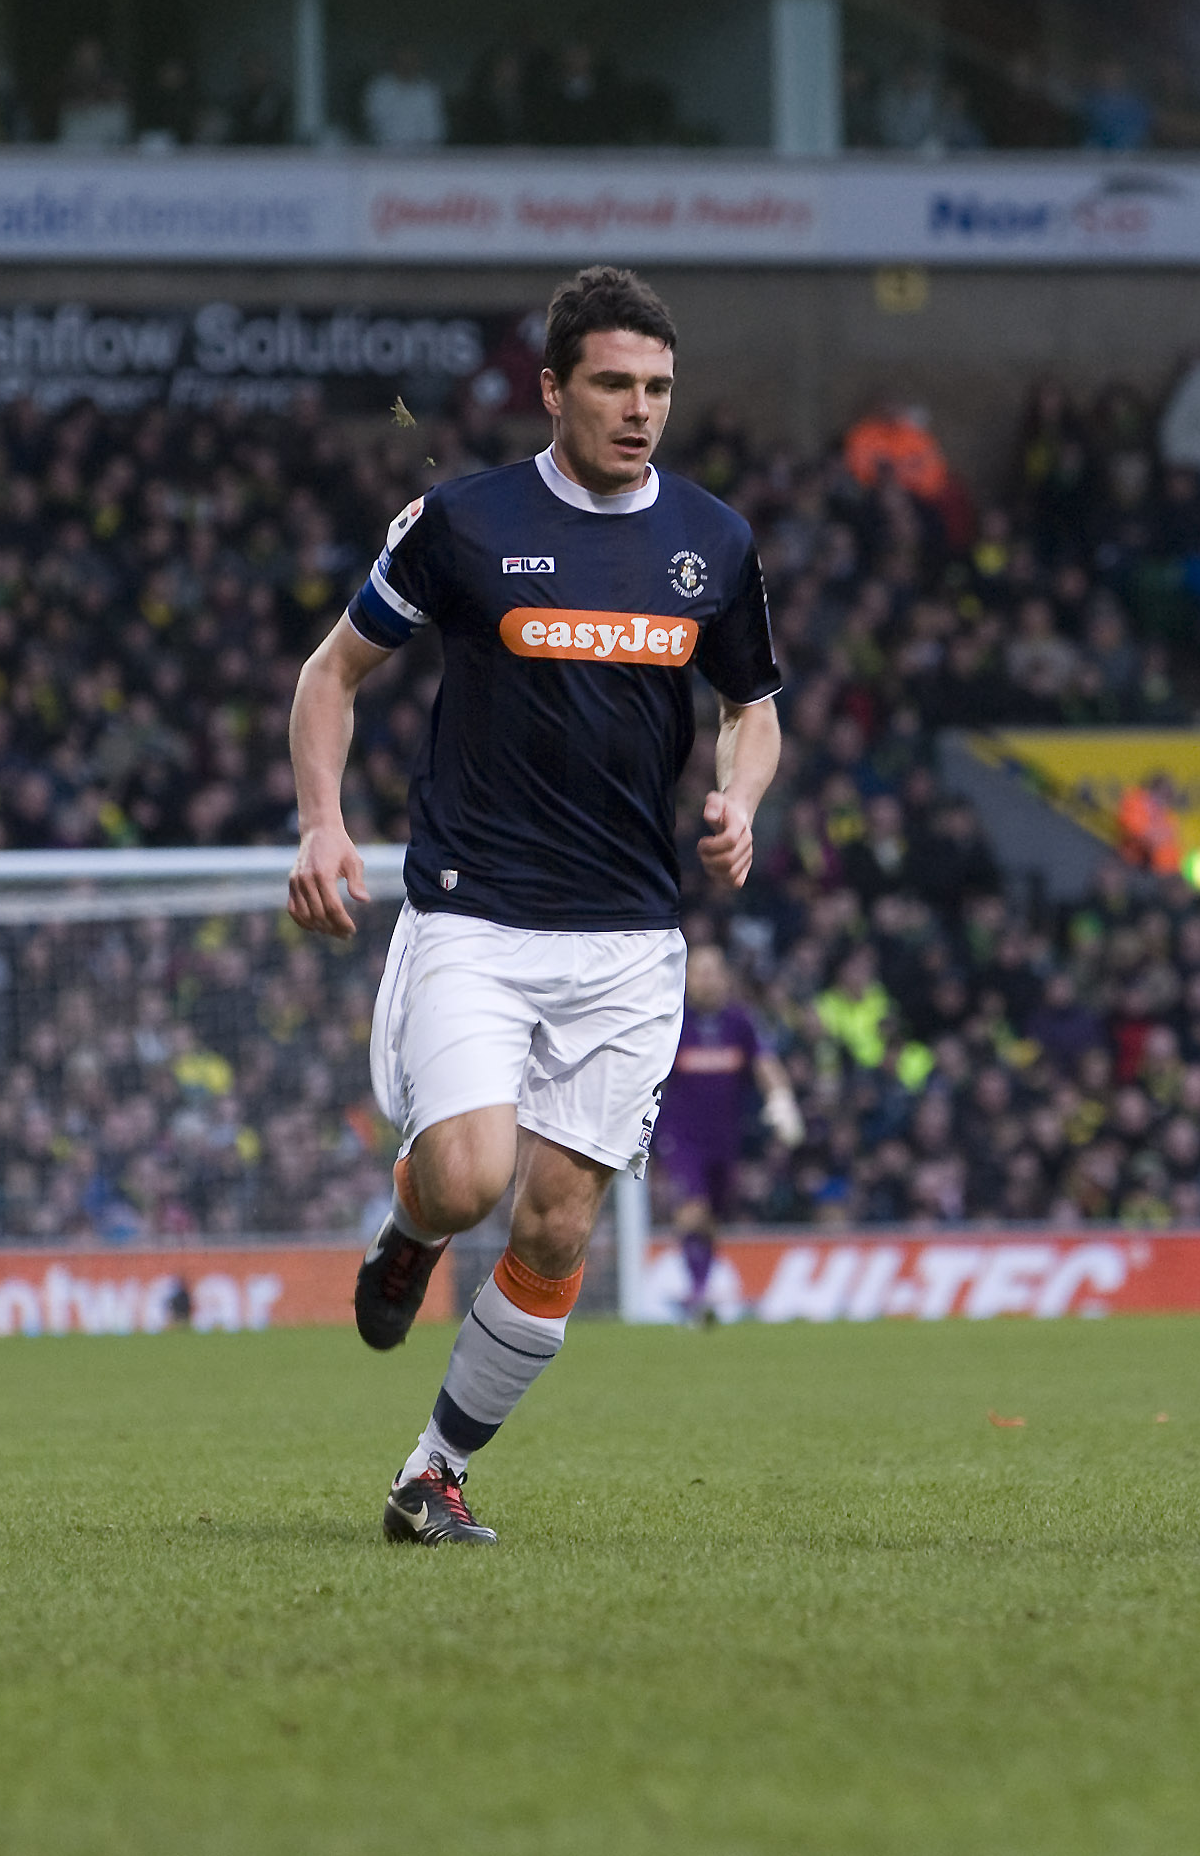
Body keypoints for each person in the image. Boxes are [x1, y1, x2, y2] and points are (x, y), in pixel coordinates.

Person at [286, 265, 783, 1544]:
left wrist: (741, 797)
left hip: (629, 938)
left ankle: (432, 1472)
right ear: (554, 389)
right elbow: (331, 676)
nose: (640, 410)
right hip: (474, 915)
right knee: (468, 1178)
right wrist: (324, 824)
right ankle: (411, 1232)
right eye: (614, 384)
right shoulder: (460, 523)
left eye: (659, 388)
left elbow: (753, 709)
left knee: (558, 1226)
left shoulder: (714, 546)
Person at [650, 945, 802, 1323]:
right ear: (686, 978)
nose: (706, 979)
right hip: (681, 1136)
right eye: (698, 972)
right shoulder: (674, 1021)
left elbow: (765, 1063)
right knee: (692, 1211)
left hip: (726, 1139)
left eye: (713, 971)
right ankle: (698, 1292)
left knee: (712, 1218)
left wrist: (782, 1100)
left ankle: (697, 1293)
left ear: (725, 978)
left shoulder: (740, 1022)